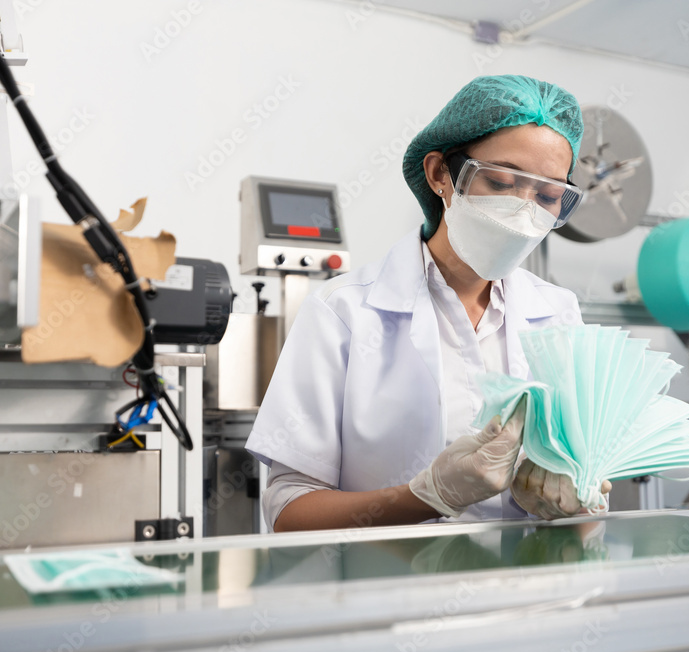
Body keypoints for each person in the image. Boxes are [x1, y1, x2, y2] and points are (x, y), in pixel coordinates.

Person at [246, 75, 610, 532]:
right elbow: (288, 512)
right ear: (440, 174)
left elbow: (586, 516)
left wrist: (578, 504)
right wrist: (425, 497)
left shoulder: (558, 312)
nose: (524, 211)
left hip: (527, 596)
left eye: (548, 195)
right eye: (500, 183)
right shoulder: (343, 313)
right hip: (391, 594)